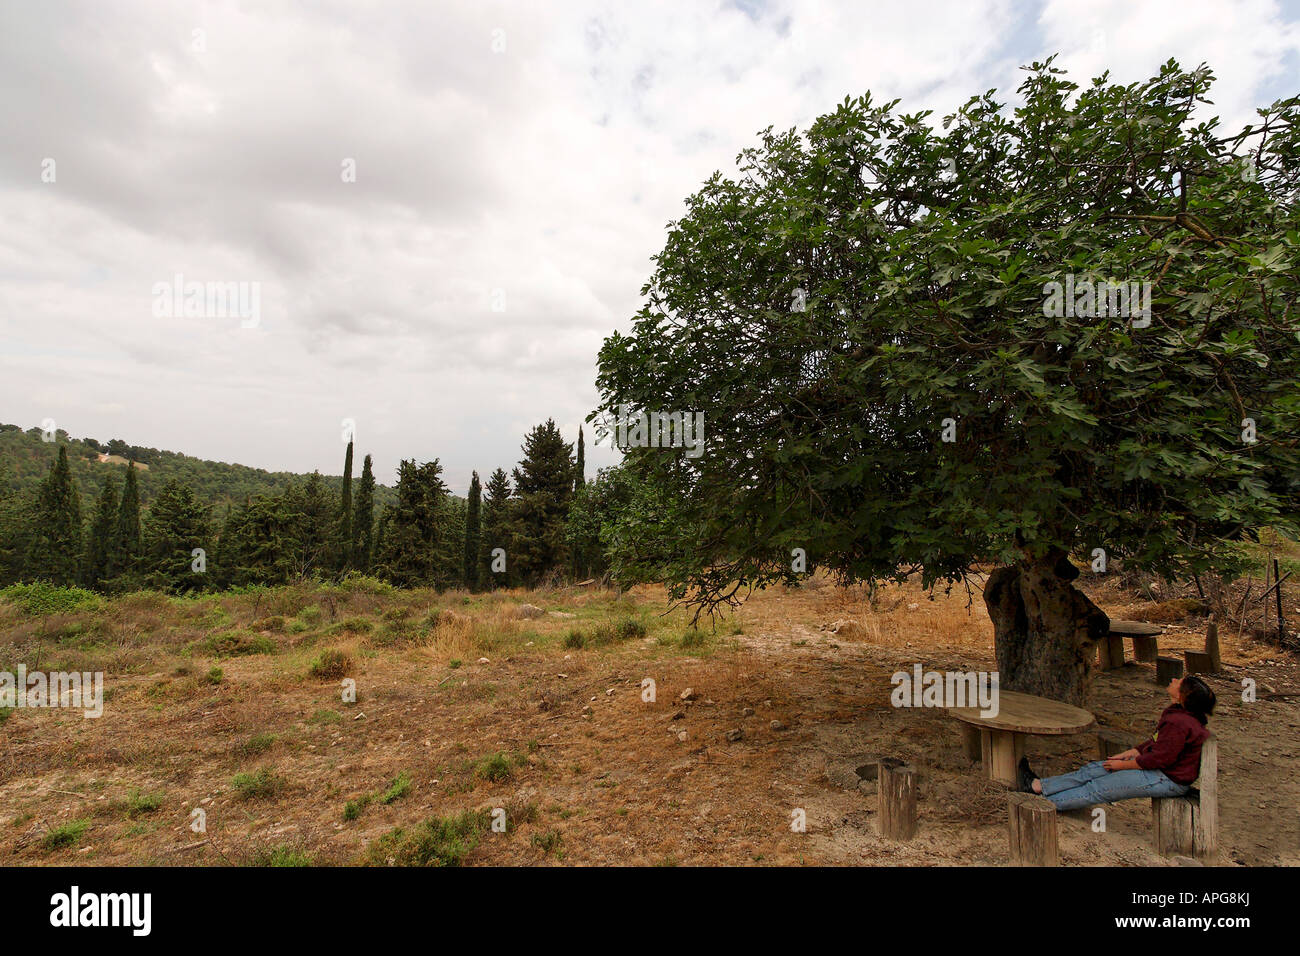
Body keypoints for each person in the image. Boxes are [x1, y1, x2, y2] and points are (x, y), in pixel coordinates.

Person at [1018, 674, 1216, 811]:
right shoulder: (1179, 714)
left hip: (1167, 778)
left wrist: (1124, 765)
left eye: (1179, 682)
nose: (1173, 680)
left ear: (1183, 696)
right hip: (1157, 768)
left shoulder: (1180, 722)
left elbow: (1160, 759)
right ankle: (1038, 786)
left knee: (1099, 787)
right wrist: (1135, 751)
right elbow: (1158, 742)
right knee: (1093, 770)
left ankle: (1045, 804)